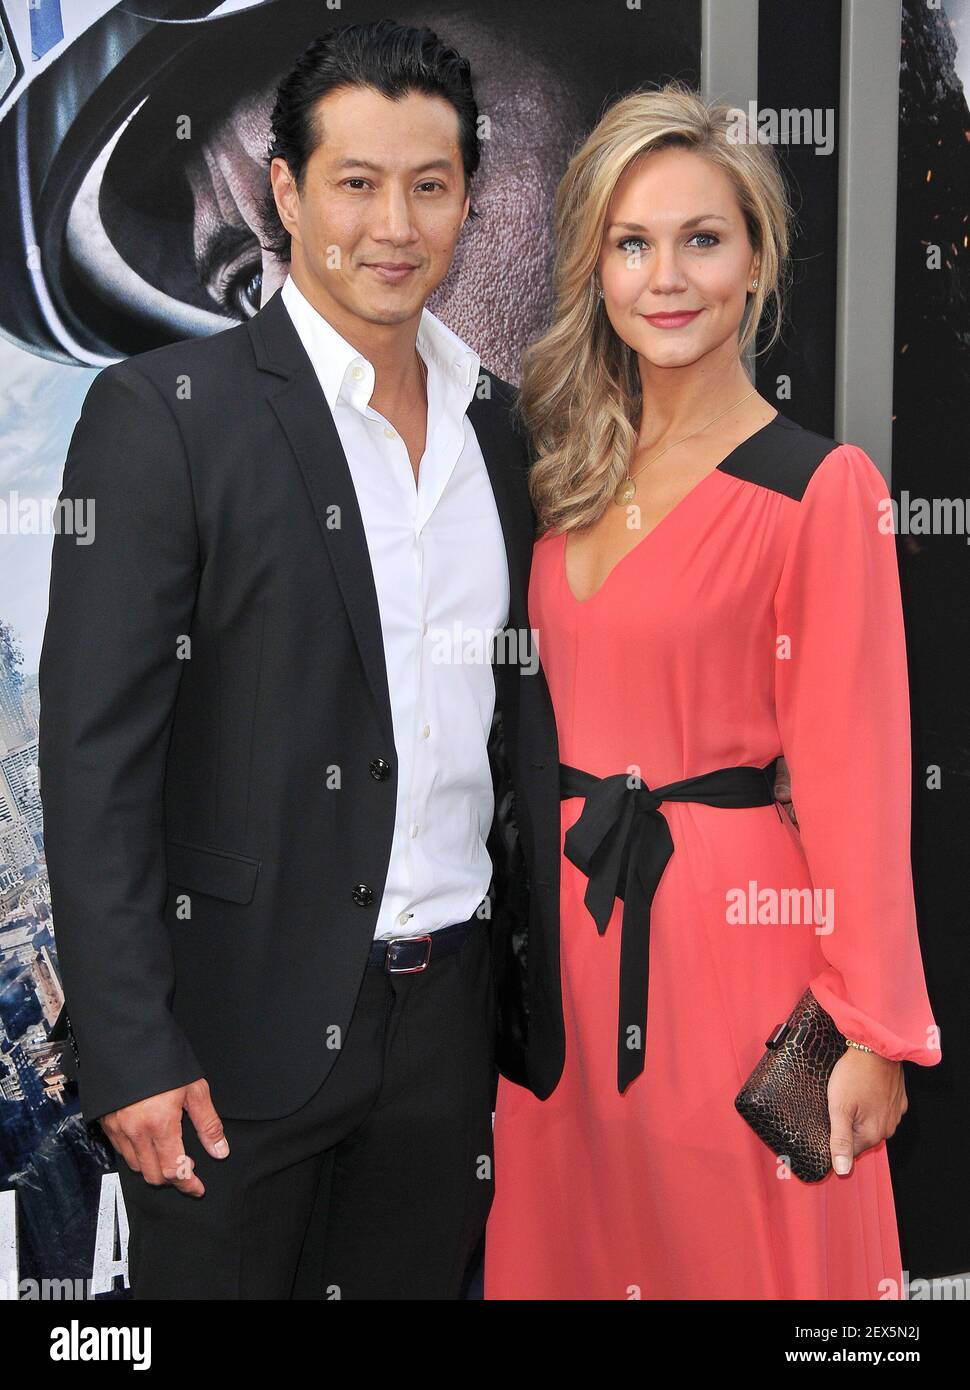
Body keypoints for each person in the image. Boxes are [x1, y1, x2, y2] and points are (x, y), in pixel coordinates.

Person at [36, 19, 570, 1301]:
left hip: (446, 1029)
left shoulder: (504, 432)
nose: (393, 224)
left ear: (470, 194)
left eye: (429, 185)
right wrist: (128, 1045)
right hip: (229, 1041)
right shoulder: (164, 418)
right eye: (354, 182)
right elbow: (94, 760)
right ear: (290, 192)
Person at [484, 82, 941, 1301]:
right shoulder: (565, 473)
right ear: (594, 264)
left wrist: (868, 1030)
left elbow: (858, 777)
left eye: (702, 238)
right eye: (632, 243)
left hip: (741, 957)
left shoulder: (820, 488)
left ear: (755, 258)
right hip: (566, 961)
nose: (665, 277)